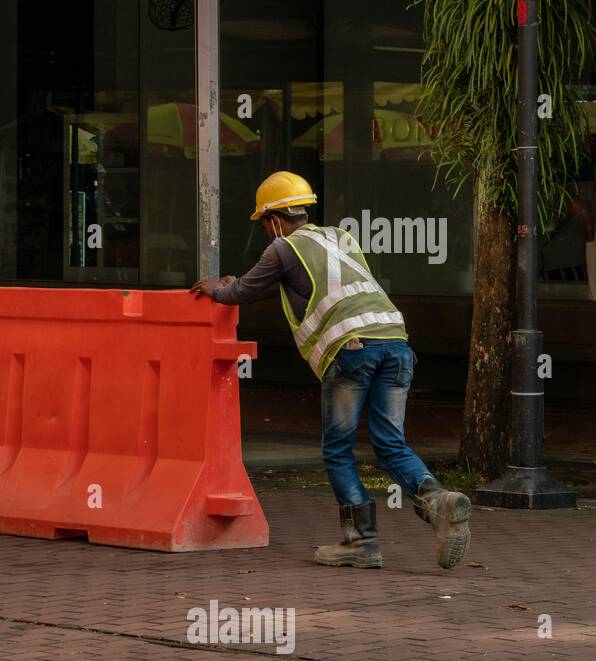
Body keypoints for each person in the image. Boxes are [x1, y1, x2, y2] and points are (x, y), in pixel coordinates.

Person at [191, 171, 471, 570]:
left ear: (272, 219)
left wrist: (213, 288)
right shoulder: (340, 237)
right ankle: (438, 501)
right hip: (396, 343)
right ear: (303, 209)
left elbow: (244, 292)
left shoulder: (282, 248)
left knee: (338, 450)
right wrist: (238, 281)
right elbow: (293, 283)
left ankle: (361, 543)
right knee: (391, 444)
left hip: (352, 350)